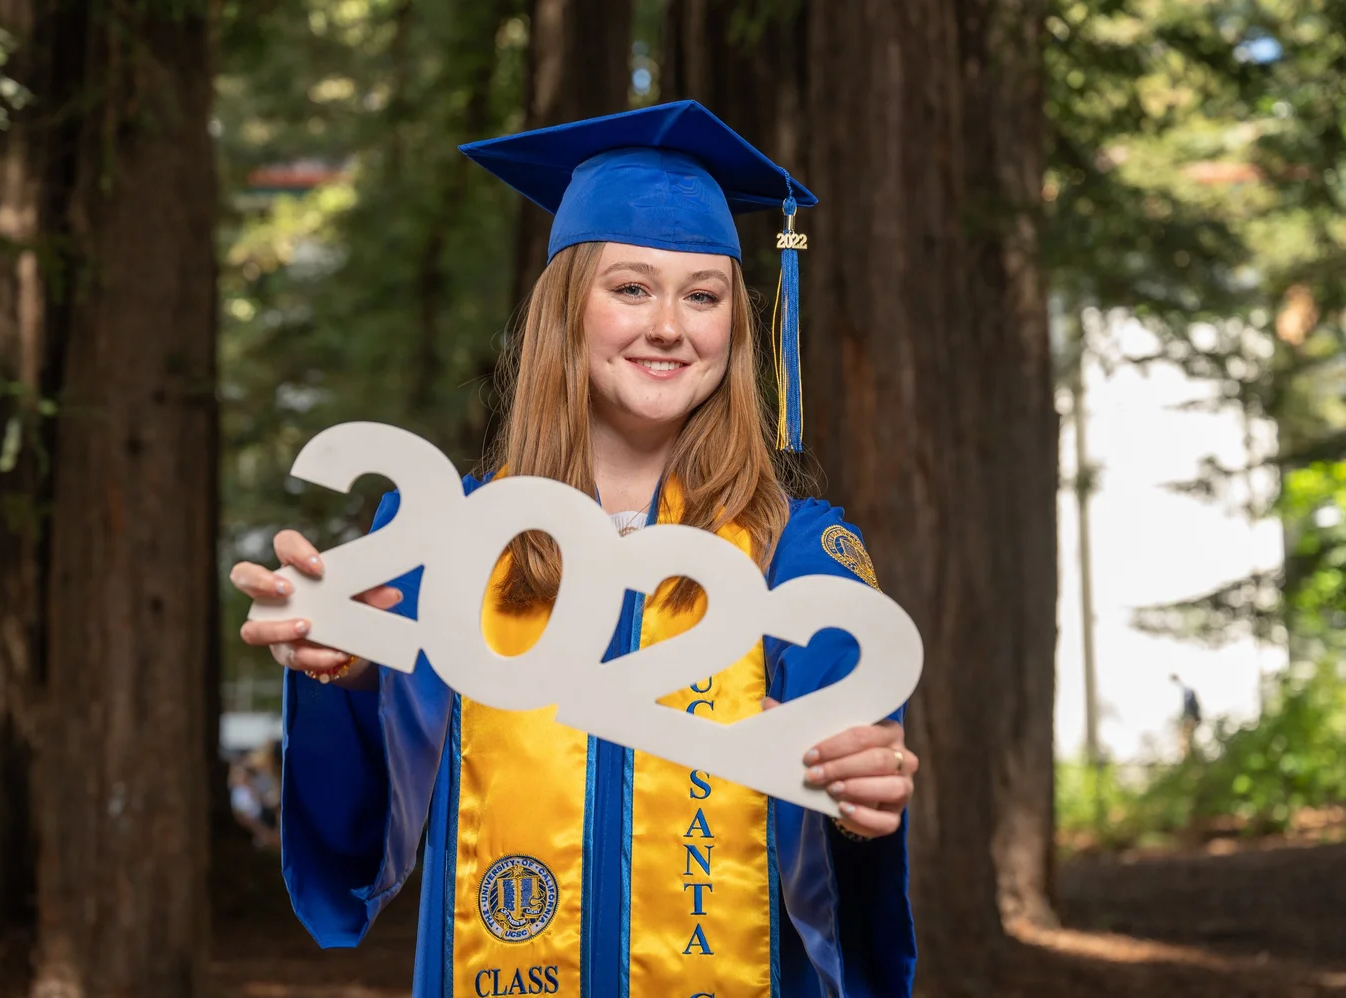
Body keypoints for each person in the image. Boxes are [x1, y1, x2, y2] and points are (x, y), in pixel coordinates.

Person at [229, 100, 919, 997]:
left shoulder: (798, 552)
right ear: (568, 313)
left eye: (703, 296)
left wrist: (862, 809)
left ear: (735, 332)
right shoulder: (444, 537)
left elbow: (845, 797)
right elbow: (362, 829)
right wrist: (350, 680)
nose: (669, 326)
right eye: (631, 288)